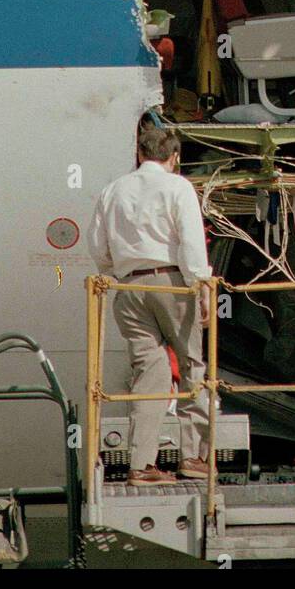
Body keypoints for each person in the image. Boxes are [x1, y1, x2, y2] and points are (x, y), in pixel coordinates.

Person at [87, 127, 212, 484]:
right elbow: (190, 241)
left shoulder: (113, 190)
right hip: (171, 283)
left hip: (128, 287)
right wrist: (200, 284)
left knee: (149, 372)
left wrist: (116, 272)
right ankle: (193, 456)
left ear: (139, 155)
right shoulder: (178, 187)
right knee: (192, 365)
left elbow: (97, 245)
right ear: (174, 158)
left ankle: (141, 464)